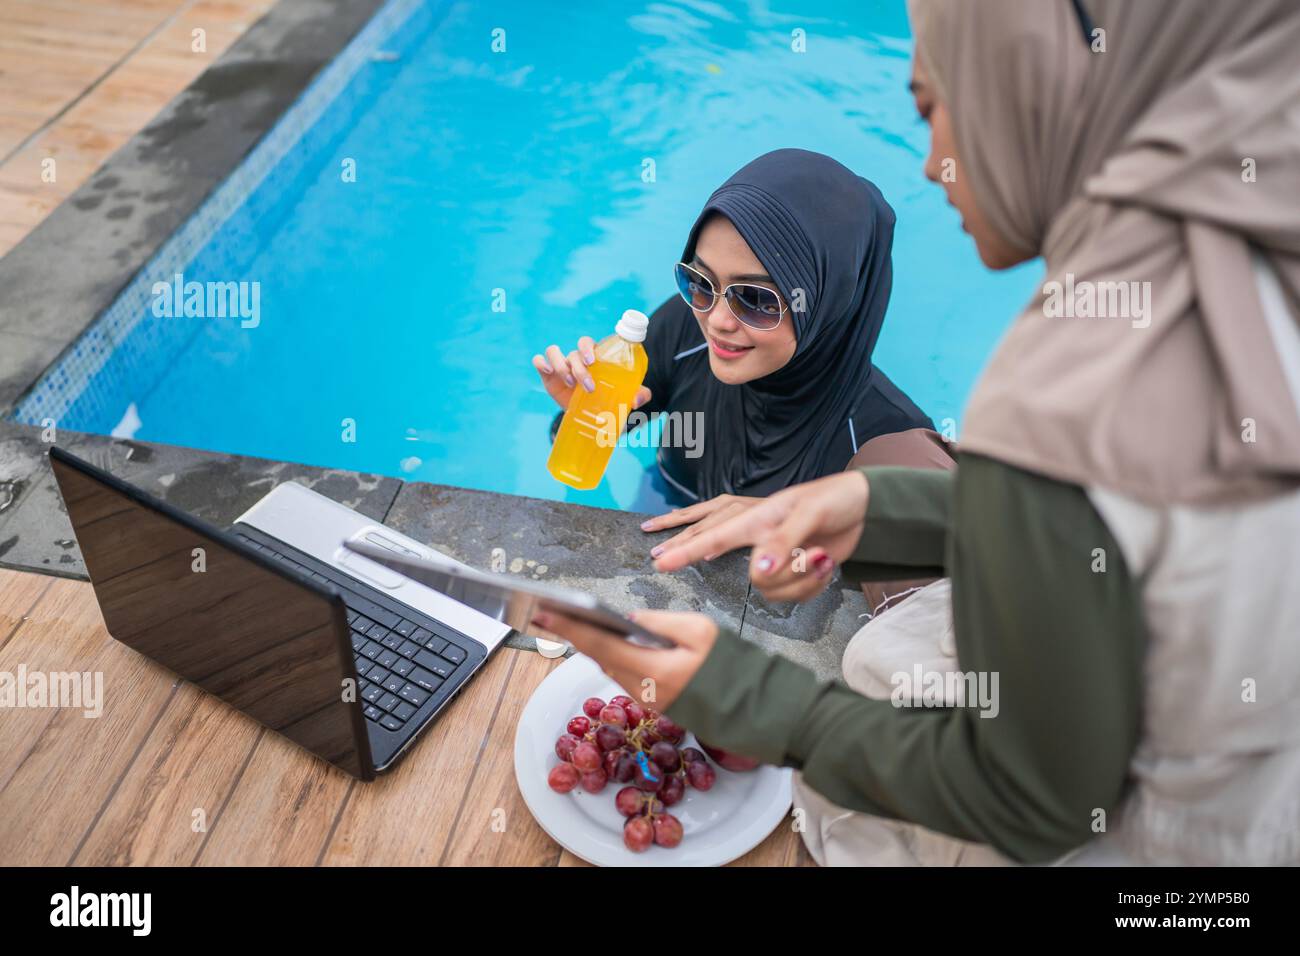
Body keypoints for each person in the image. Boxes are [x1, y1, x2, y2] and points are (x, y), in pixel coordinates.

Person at [535, 0, 1300, 865]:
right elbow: (1109, 534)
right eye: (702, 285)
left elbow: (1040, 796)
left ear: (1038, 91)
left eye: (941, 104)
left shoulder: (1070, 381)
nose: (935, 164)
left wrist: (755, 702)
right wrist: (869, 503)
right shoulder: (1234, 278)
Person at [532, 149, 932, 517]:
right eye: (700, 281)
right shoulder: (685, 329)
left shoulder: (890, 444)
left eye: (756, 299)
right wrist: (580, 413)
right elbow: (586, 454)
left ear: (830, 301)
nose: (718, 321)